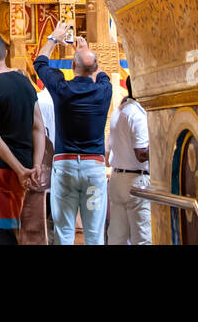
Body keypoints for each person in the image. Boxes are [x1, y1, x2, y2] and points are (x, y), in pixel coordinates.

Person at [34, 22, 113, 245]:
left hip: (66, 167)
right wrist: (84, 50)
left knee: (64, 232)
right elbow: (100, 72)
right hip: (94, 171)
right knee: (95, 234)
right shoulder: (104, 90)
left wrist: (53, 38)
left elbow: (39, 63)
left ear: (71, 66)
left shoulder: (62, 89)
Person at [0, 33, 44, 245]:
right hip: (26, 166)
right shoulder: (26, 84)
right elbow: (39, 128)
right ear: (5, 54)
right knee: (21, 231)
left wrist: (19, 170)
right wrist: (35, 165)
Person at [108, 76, 152, 244]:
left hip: (117, 178)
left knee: (117, 237)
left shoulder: (119, 110)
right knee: (142, 237)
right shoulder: (138, 114)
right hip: (136, 180)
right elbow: (141, 154)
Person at [19, 75, 55, 244]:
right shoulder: (62, 100)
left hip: (39, 160)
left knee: (35, 213)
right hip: (59, 162)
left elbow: (37, 131)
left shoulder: (39, 100)